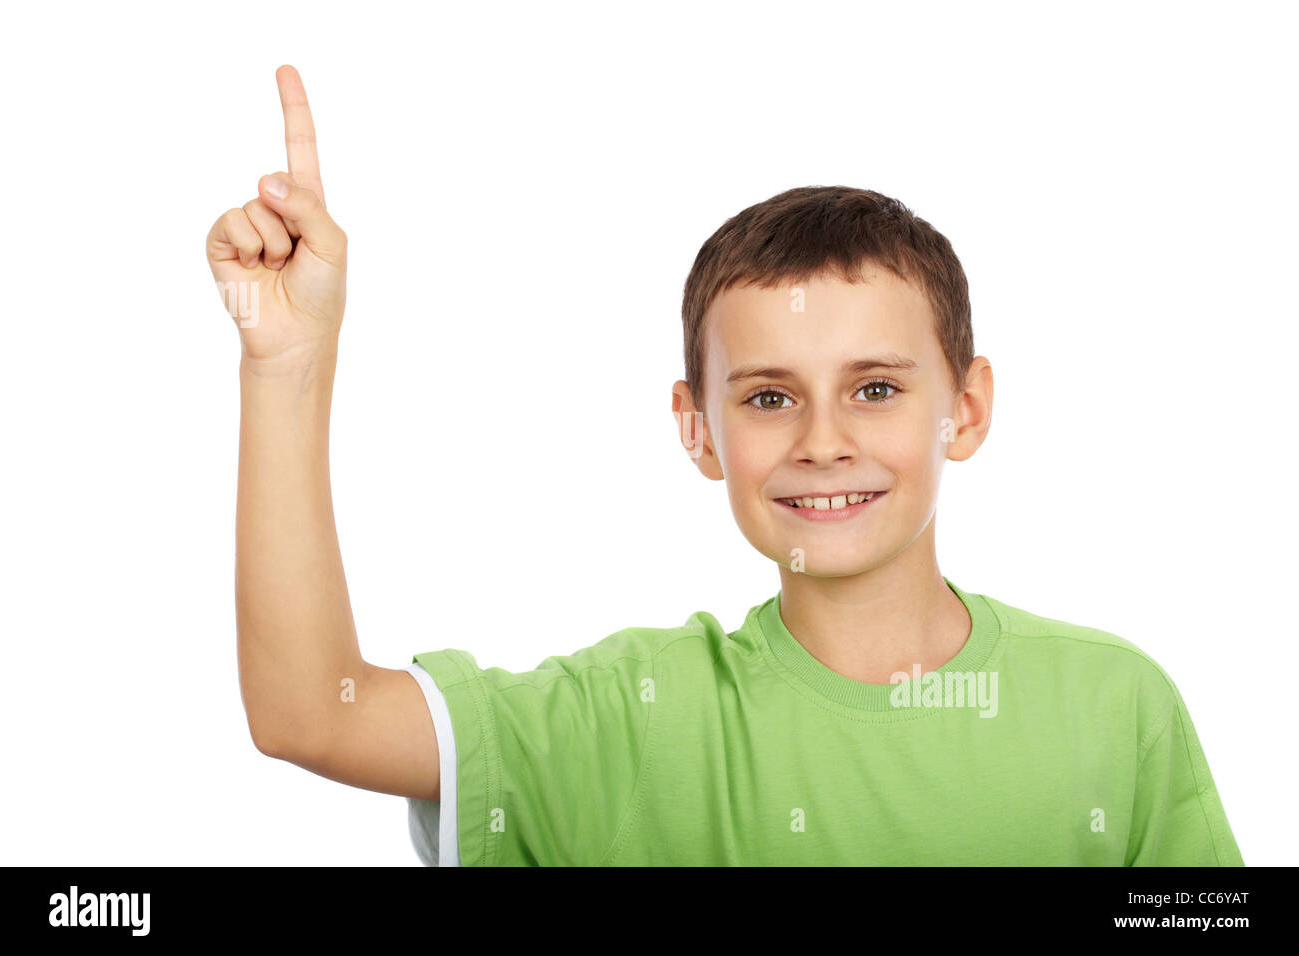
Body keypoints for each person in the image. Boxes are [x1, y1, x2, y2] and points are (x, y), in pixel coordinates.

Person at [208, 65, 1244, 866]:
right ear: (697, 428)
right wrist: (289, 362)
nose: (821, 438)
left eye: (875, 387)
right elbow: (314, 711)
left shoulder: (1116, 705)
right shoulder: (627, 718)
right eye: (767, 396)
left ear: (965, 408)